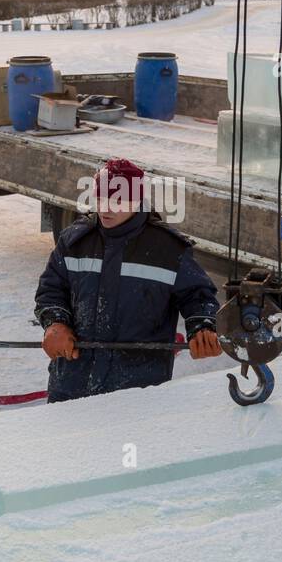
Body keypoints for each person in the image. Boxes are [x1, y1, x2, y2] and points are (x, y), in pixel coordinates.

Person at [34, 158, 222, 403]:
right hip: (71, 385)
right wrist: (55, 323)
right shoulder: (74, 242)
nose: (106, 208)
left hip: (138, 391)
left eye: (118, 200)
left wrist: (202, 327)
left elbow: (198, 296)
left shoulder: (167, 250)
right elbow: (51, 289)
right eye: (101, 199)